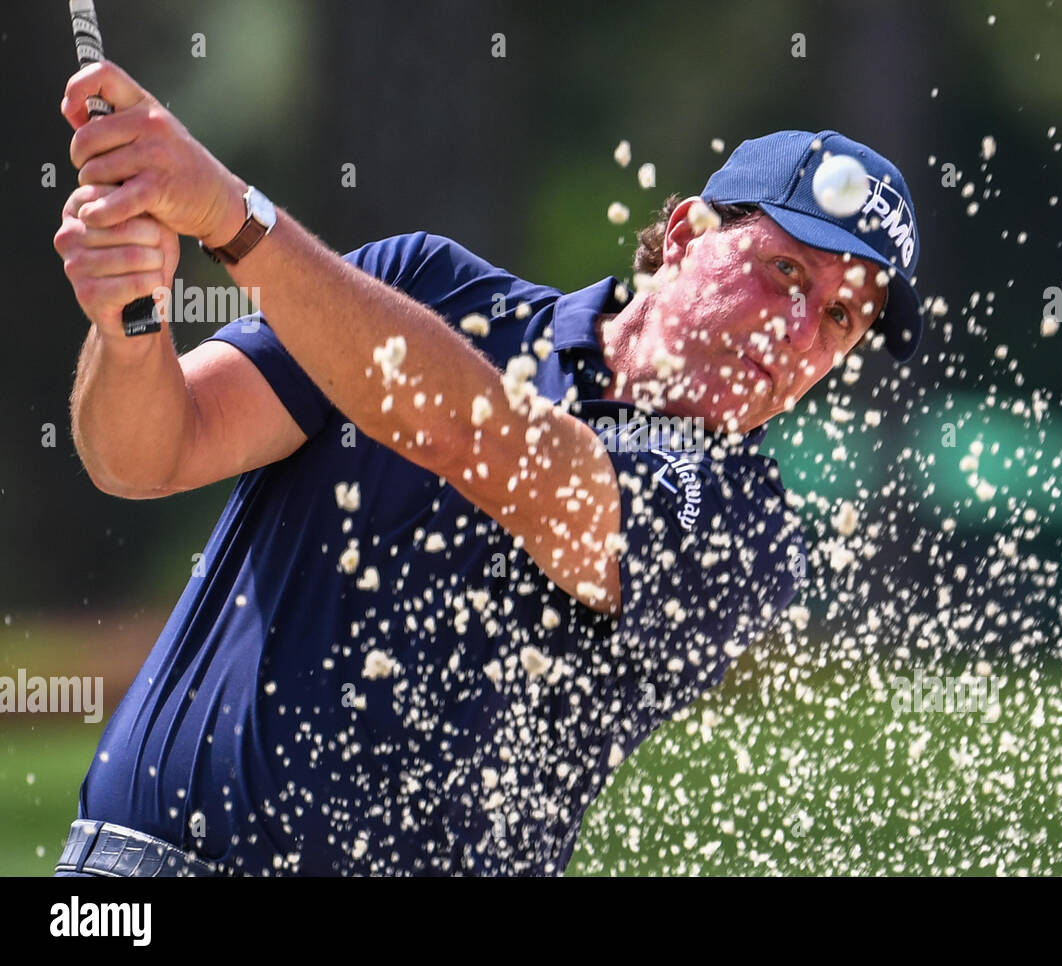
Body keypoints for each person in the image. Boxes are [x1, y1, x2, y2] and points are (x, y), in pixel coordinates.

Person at [51, 60, 924, 876]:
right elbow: (148, 455)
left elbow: (511, 458)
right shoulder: (428, 286)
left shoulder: (744, 523)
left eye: (844, 319)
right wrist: (129, 323)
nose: (802, 332)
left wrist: (235, 220)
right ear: (690, 232)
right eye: (785, 271)